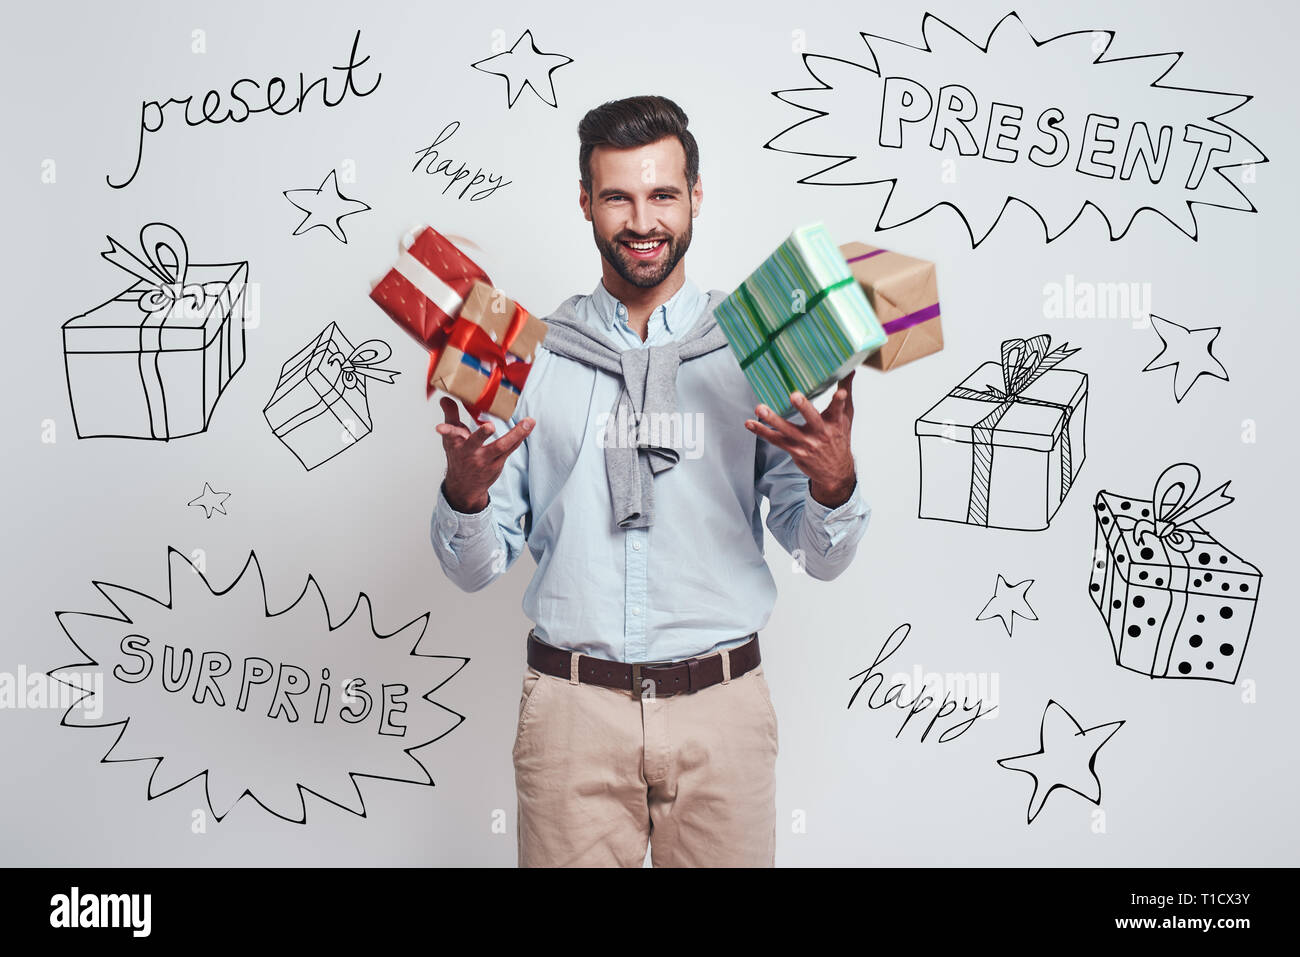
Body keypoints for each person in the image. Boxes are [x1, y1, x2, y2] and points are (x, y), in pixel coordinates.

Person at [431, 94, 870, 867]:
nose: (643, 221)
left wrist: (834, 484)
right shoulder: (526, 354)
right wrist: (464, 494)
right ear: (585, 203)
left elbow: (824, 557)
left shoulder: (759, 347)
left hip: (722, 713)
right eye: (618, 197)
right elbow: (474, 568)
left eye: (663, 194)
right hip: (571, 715)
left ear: (696, 197)